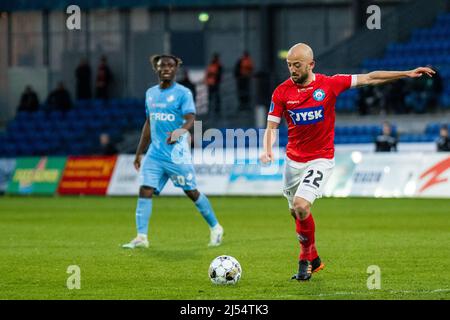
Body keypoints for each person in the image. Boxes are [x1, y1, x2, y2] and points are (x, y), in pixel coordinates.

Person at [259, 42, 435, 281]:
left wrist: (405, 73)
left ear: (311, 64)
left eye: (297, 65)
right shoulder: (281, 91)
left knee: (301, 206)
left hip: (320, 159)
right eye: (289, 65)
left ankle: (304, 259)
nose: (292, 69)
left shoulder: (329, 84)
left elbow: (371, 78)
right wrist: (266, 149)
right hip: (293, 161)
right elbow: (271, 126)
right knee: (295, 212)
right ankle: (316, 259)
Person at [122, 54, 224, 249]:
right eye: (162, 66)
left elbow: (191, 118)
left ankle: (216, 227)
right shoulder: (150, 93)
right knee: (145, 189)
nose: (166, 68)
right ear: (156, 69)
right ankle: (141, 237)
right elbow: (149, 123)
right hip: (155, 153)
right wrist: (139, 152)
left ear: (176, 68)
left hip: (177, 154)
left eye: (170, 65)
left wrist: (179, 132)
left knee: (191, 192)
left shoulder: (183, 93)